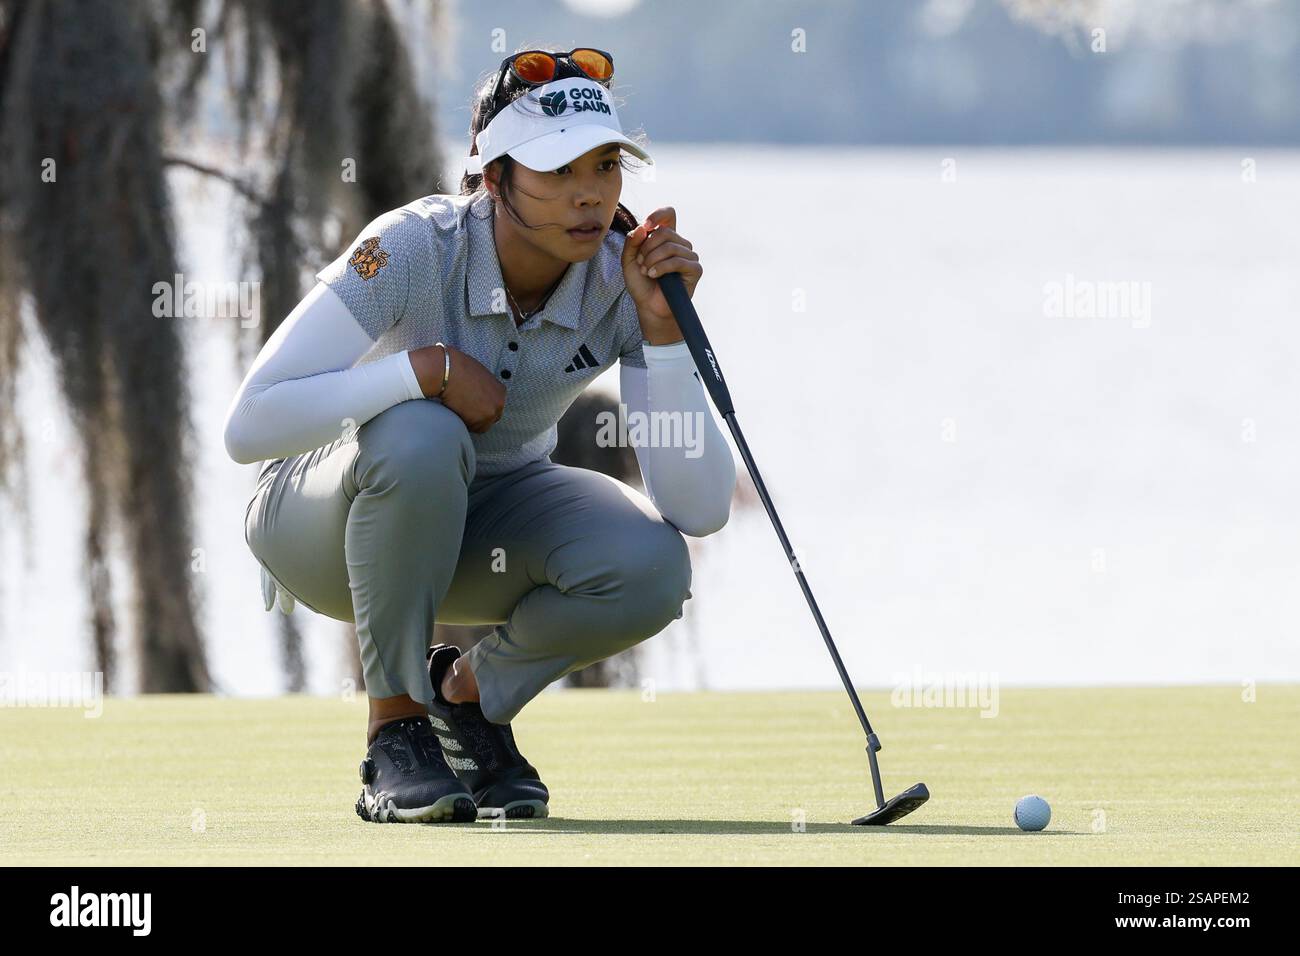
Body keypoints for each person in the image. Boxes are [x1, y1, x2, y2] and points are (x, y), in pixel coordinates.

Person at [223, 47, 736, 823]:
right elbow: (249, 423)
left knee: (653, 564)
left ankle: (464, 703)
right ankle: (393, 736)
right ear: (494, 178)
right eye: (557, 171)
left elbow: (697, 510)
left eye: (603, 166)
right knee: (424, 435)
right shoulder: (414, 246)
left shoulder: (623, 279)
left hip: (470, 529)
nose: (588, 196)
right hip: (322, 527)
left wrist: (662, 337)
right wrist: (419, 371)